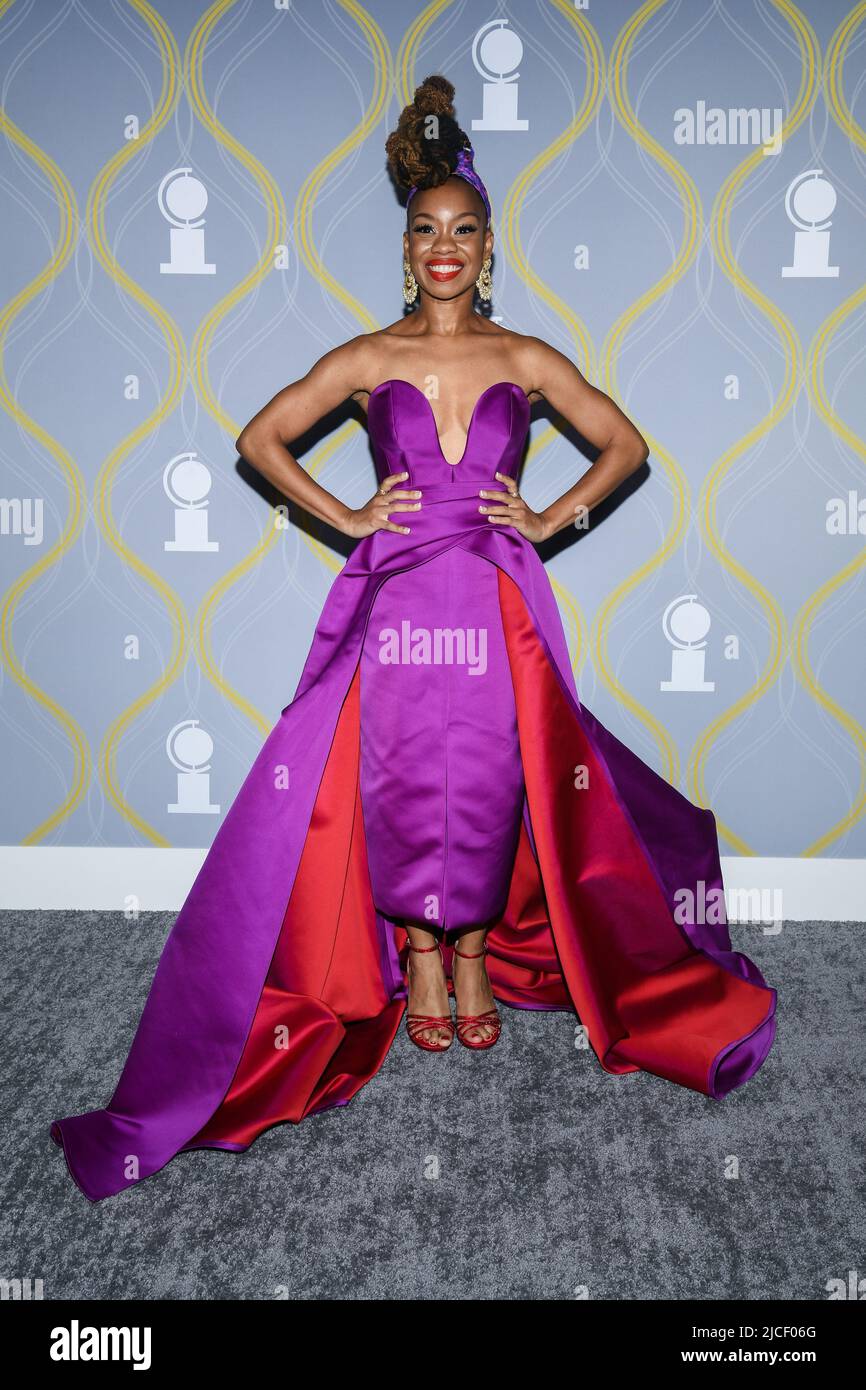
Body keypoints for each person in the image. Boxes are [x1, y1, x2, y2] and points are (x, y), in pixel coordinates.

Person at [50, 76, 776, 1202]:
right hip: (395, 601)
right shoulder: (366, 353)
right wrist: (342, 516)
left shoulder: (526, 357)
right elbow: (259, 436)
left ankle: (474, 951)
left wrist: (544, 518)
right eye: (425, 231)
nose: (444, 247)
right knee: (394, 784)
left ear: (489, 246)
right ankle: (421, 962)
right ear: (408, 246)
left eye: (463, 230)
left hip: (491, 599)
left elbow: (624, 446)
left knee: (487, 782)